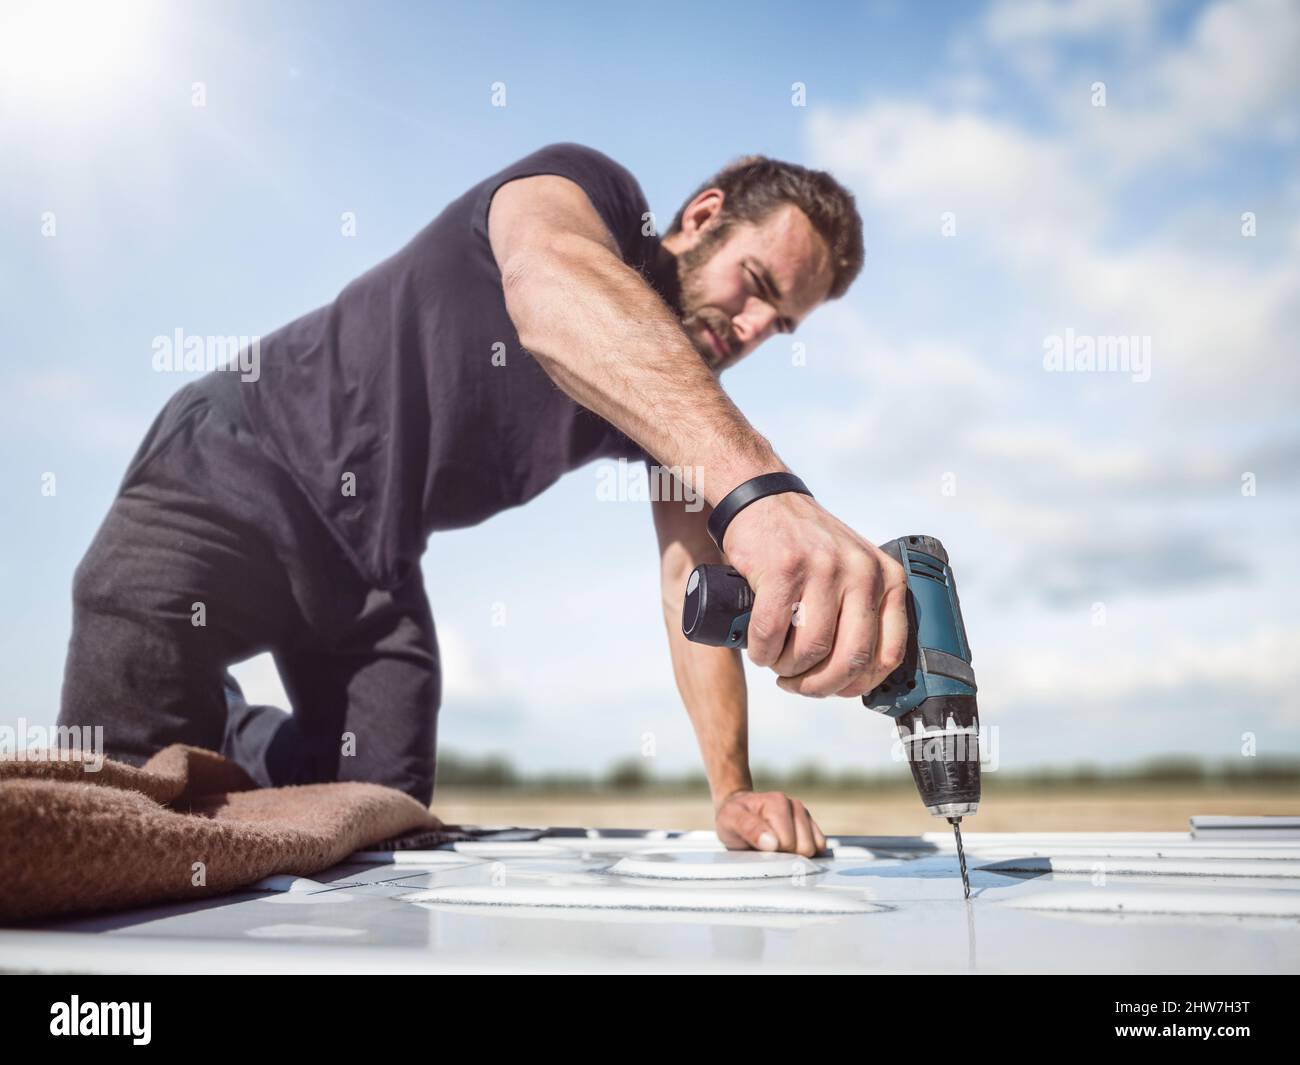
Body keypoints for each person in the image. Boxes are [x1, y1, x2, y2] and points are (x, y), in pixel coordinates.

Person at [59, 143, 907, 859]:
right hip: (239, 463)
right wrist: (760, 488)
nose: (756, 326)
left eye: (782, 323)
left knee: (370, 829)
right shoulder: (591, 193)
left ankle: (232, 735)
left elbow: (694, 585)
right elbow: (548, 286)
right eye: (755, 283)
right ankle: (193, 720)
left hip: (373, 573)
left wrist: (733, 792)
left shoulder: (670, 407)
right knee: (122, 814)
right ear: (701, 216)